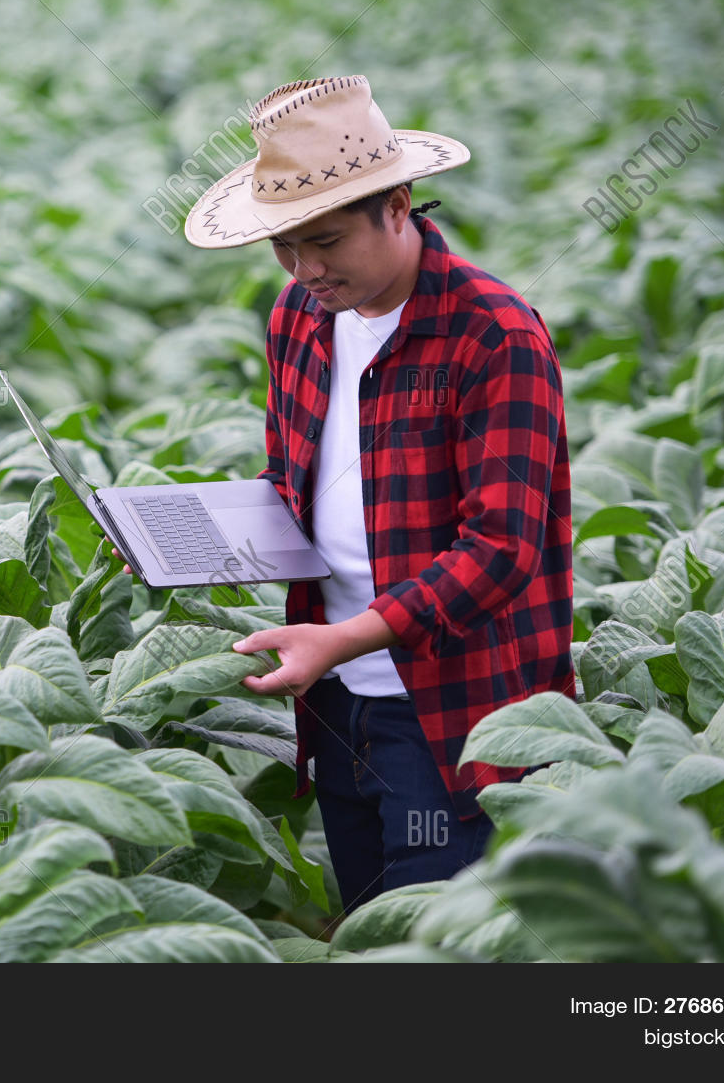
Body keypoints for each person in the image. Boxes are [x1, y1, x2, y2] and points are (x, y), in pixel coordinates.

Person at [114, 75, 575, 914]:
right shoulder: (300, 316)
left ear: (397, 207)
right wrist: (176, 538)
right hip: (335, 704)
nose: (306, 270)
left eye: (325, 241)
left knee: (434, 937)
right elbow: (288, 486)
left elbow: (501, 551)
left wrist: (344, 640)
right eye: (284, 248)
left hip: (451, 714)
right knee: (363, 920)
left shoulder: (493, 335)